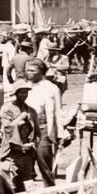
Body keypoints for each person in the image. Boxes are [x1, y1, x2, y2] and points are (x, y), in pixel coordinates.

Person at [24, 57, 61, 186]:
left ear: (42, 72)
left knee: (44, 164)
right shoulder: (24, 87)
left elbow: (57, 112)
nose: (28, 73)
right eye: (27, 70)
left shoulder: (51, 88)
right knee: (25, 167)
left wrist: (59, 134)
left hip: (44, 128)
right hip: (26, 129)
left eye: (32, 70)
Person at [0, 82, 39, 192]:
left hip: (27, 154)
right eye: (21, 92)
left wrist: (32, 144)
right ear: (15, 93)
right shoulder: (7, 109)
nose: (24, 95)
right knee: (9, 187)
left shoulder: (32, 111)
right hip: (12, 153)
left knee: (28, 187)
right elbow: (8, 128)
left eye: (25, 92)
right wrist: (21, 118)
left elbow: (36, 133)